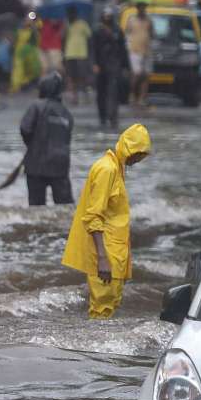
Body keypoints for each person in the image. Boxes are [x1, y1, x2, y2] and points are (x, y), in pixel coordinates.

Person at [62, 124, 153, 319]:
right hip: (107, 253)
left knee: (109, 306)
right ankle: (93, 348)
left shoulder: (116, 168)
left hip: (115, 251)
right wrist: (102, 258)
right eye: (139, 153)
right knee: (101, 310)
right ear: (129, 148)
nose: (139, 159)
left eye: (143, 155)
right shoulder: (107, 170)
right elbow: (94, 215)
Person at [19, 71, 74, 206]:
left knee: (36, 209)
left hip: (35, 165)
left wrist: (31, 146)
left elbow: (25, 129)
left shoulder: (36, 106)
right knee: (65, 208)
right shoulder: (67, 113)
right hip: (60, 166)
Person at [90, 10, 130, 128]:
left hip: (114, 64)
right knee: (101, 92)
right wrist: (94, 64)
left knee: (114, 92)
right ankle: (102, 117)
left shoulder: (117, 30)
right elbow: (92, 48)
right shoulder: (97, 31)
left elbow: (123, 49)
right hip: (101, 64)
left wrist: (126, 66)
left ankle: (113, 116)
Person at [125, 2, 153, 106]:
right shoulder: (131, 20)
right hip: (134, 50)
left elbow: (152, 33)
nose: (142, 9)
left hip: (146, 50)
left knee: (146, 75)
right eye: (140, 7)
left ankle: (142, 97)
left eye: (144, 8)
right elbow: (127, 33)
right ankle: (132, 94)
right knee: (136, 74)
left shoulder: (149, 20)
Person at [63, 6, 92, 104]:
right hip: (70, 53)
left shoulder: (82, 23)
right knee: (72, 76)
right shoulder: (66, 24)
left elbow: (89, 36)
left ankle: (85, 94)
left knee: (82, 75)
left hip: (81, 53)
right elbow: (63, 37)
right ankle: (74, 96)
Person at [9, 13, 41, 93]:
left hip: (31, 53)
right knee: (18, 70)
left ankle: (24, 82)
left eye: (29, 19)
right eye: (26, 19)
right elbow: (13, 41)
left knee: (34, 70)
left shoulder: (35, 28)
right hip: (19, 53)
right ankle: (16, 87)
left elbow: (38, 38)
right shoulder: (19, 30)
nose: (27, 21)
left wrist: (33, 25)